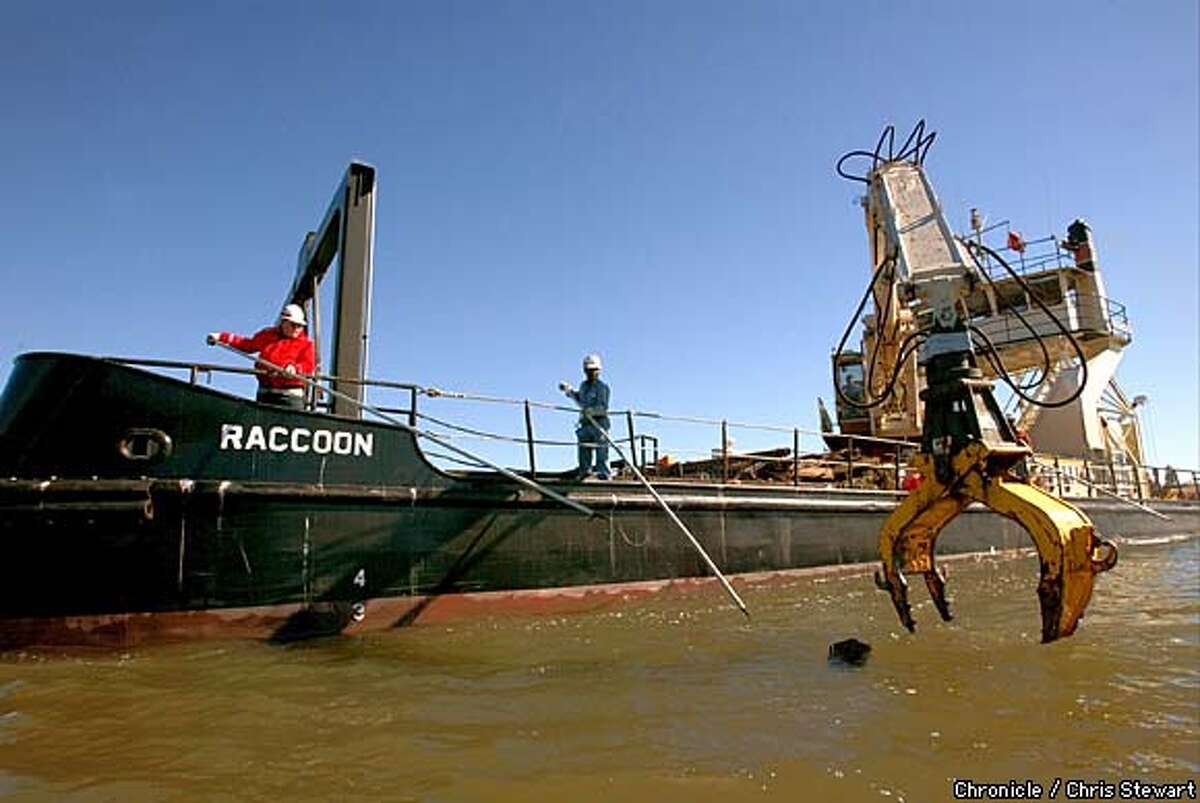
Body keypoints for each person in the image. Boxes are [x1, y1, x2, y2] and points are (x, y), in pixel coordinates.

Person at [208, 304, 315, 410]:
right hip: (265, 393)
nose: (297, 328)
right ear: (283, 322)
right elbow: (247, 345)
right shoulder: (267, 335)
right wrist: (220, 337)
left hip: (290, 397)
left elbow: (308, 366)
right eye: (293, 324)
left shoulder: (306, 344)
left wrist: (295, 369)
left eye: (300, 326)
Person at [560, 353, 611, 480]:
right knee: (584, 450)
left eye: (594, 370)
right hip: (585, 424)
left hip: (599, 424)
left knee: (601, 451)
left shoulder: (602, 387)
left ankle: (603, 474)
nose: (591, 373)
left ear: (599, 370)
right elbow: (579, 399)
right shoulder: (583, 386)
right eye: (589, 370)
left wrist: (591, 411)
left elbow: (603, 408)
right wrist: (569, 390)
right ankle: (585, 472)